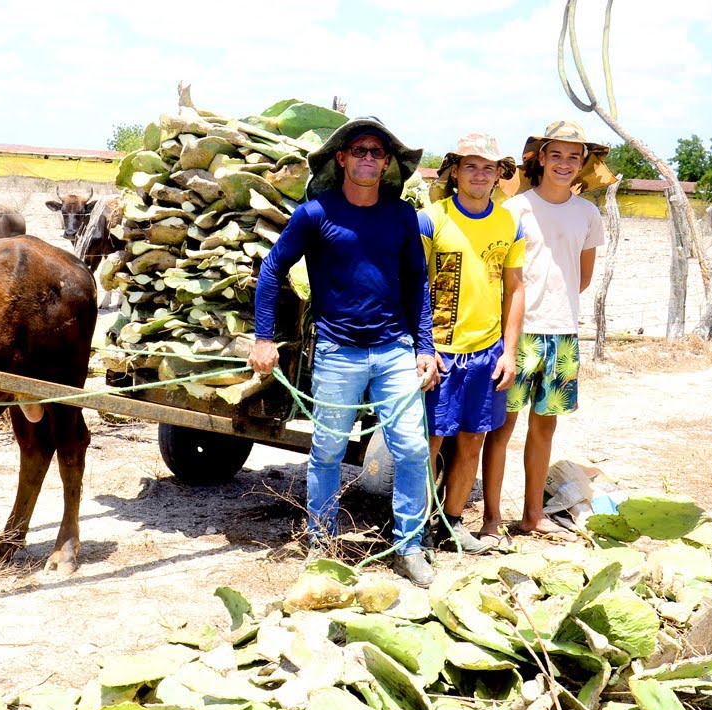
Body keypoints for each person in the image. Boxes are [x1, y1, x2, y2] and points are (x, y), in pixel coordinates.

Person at [249, 117, 439, 587]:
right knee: (328, 451)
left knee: (413, 450)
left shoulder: (401, 216)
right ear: (342, 158)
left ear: (387, 163)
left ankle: (409, 547)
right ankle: (321, 541)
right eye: (360, 151)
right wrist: (264, 338)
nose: (369, 159)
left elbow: (417, 282)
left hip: (394, 349)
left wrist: (425, 347)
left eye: (377, 152)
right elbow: (273, 270)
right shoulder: (316, 213)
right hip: (337, 350)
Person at [479, 120, 611, 541]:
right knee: (501, 428)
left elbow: (582, 278)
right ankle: (491, 519)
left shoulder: (588, 214)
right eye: (556, 154)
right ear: (539, 159)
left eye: (575, 157)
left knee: (544, 428)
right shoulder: (515, 209)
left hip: (563, 335)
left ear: (583, 164)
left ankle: (533, 514)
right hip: (517, 336)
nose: (565, 163)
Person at [419, 132, 525, 554]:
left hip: (487, 352)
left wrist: (510, 351)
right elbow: (413, 285)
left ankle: (453, 523)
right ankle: (418, 526)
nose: (480, 174)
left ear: (500, 175)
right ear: (455, 171)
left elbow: (515, 290)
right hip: (439, 351)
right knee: (429, 440)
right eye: (471, 165)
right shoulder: (431, 219)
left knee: (472, 438)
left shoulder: (509, 222)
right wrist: (422, 347)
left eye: (489, 167)